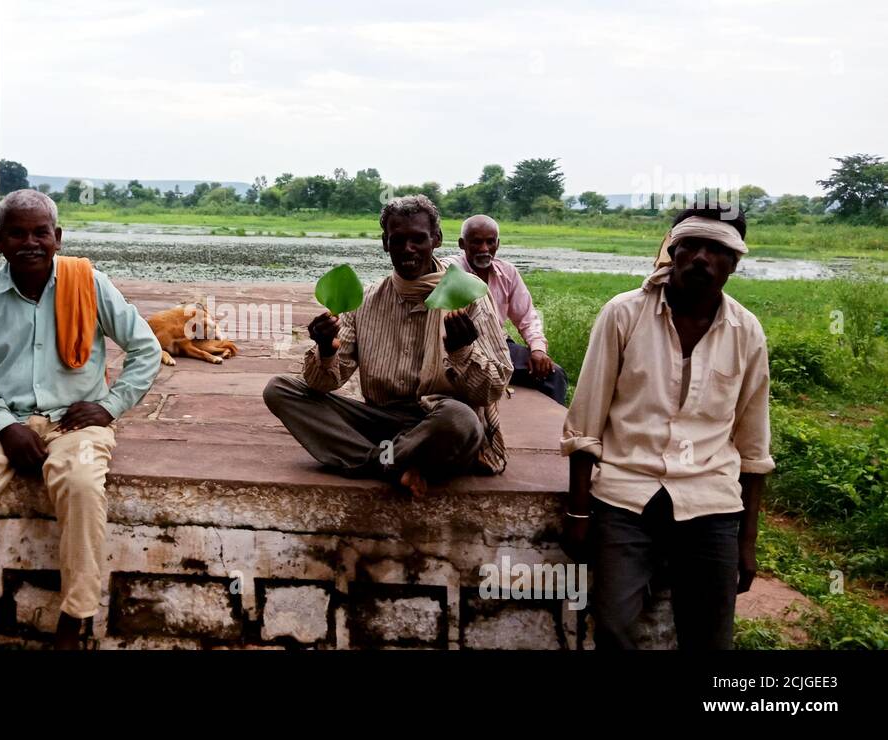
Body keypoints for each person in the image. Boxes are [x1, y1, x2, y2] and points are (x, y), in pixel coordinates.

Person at [0, 190, 161, 649]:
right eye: (17, 232)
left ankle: (74, 618)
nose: (29, 242)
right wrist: (6, 426)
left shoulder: (88, 283)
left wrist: (110, 406)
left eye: (40, 232)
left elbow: (146, 348)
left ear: (58, 237)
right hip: (1, 418)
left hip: (77, 422)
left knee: (83, 487)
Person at [561, 206, 773, 650]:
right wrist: (579, 514)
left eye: (716, 250)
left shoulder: (746, 332)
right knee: (615, 628)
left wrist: (746, 543)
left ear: (734, 263)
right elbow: (585, 421)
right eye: (690, 246)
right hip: (625, 497)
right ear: (671, 252)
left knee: (710, 637)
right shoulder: (624, 314)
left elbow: (753, 448)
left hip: (710, 502)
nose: (701, 258)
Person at [263, 195, 513, 498]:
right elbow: (322, 384)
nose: (408, 249)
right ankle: (391, 463)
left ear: (436, 239)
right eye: (398, 240)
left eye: (418, 239)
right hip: (382, 421)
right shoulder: (365, 302)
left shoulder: (468, 295)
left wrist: (463, 353)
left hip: (439, 426)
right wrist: (326, 350)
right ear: (385, 243)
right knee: (279, 390)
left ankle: (375, 459)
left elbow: (493, 389)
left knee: (460, 419)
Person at [449, 214, 567, 405]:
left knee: (553, 374)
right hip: (461, 348)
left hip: (499, 345)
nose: (484, 249)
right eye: (476, 242)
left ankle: (558, 431)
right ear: (462, 244)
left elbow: (527, 317)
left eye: (490, 242)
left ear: (498, 243)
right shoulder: (450, 270)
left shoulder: (508, 273)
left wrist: (538, 350)